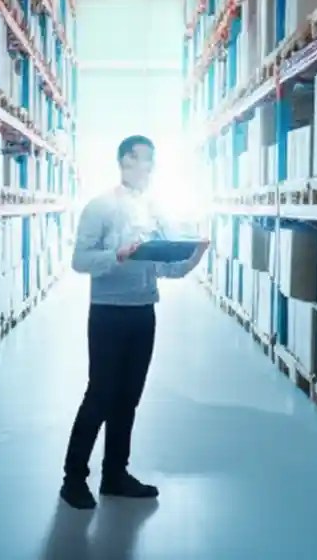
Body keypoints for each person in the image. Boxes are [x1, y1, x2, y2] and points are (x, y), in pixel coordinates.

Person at [60, 135, 209, 510]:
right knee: (100, 395)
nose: (150, 168)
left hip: (143, 312)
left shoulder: (154, 211)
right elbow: (79, 261)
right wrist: (118, 255)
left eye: (152, 161)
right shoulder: (100, 207)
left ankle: (115, 475)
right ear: (126, 160)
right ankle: (73, 479)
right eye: (145, 160)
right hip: (108, 312)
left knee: (128, 397)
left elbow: (167, 269)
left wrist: (195, 255)